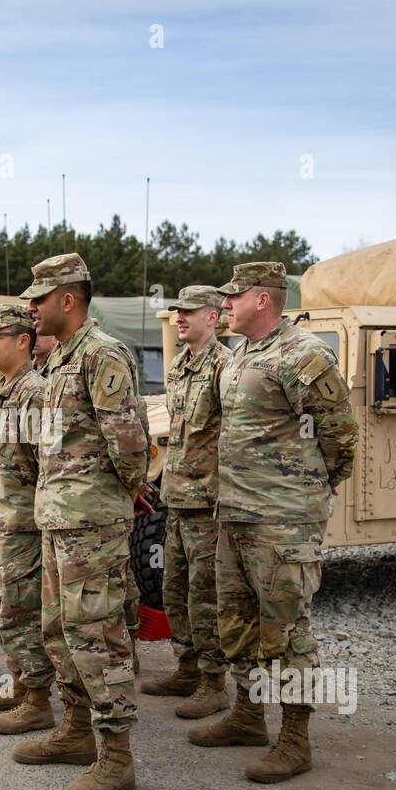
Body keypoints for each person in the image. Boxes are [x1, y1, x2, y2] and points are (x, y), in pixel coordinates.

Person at [188, 262, 357, 783]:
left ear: (262, 300)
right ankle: (247, 714)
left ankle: (295, 739)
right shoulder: (239, 358)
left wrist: (305, 491)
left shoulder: (304, 354)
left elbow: (341, 436)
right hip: (235, 515)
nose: (225, 308)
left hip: (283, 523)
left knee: (284, 632)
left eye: (233, 299)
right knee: (235, 623)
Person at [13, 254, 148, 790]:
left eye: (39, 299)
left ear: (68, 299)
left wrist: (114, 497)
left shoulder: (102, 355)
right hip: (59, 520)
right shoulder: (60, 359)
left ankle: (116, 758)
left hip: (91, 524)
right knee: (59, 630)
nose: (31, 308)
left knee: (96, 634)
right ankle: (75, 732)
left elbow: (131, 444)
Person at [140, 287, 231, 719]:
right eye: (177, 311)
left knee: (205, 595)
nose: (179, 318)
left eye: (189, 312)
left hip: (208, 504)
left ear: (212, 318)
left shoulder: (224, 368)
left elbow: (235, 437)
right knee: (174, 591)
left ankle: (214, 683)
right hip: (177, 498)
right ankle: (187, 667)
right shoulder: (180, 366)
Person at [0, 304, 55, 734]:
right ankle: (19, 686)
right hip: (3, 524)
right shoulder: (3, 390)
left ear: (23, 341)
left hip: (24, 527)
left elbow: (48, 466)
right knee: (4, 608)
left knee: (22, 616)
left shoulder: (34, 394)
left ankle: (38, 700)